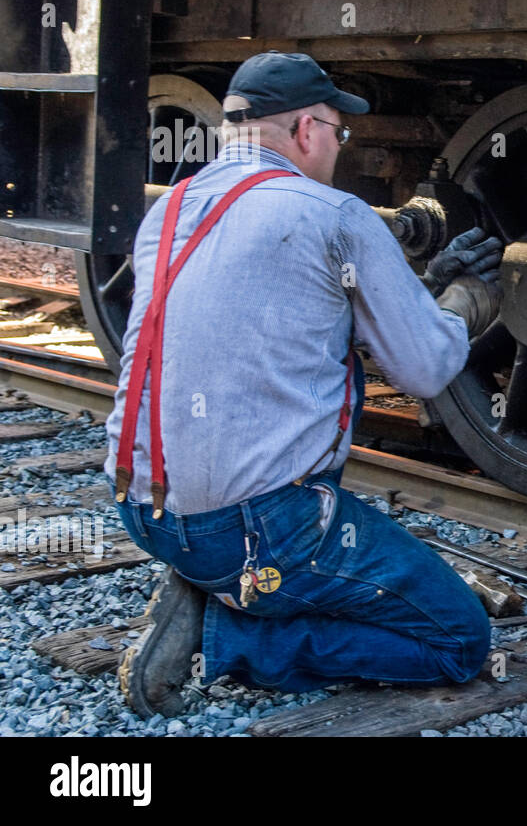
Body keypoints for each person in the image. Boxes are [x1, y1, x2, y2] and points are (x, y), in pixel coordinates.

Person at [109, 51, 504, 717]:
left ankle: (214, 581)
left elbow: (290, 322)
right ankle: (225, 636)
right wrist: (465, 297)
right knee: (460, 639)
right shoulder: (337, 216)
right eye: (337, 132)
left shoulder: (168, 211)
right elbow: (426, 367)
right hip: (263, 533)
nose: (339, 147)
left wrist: (421, 286)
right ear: (304, 130)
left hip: (145, 512)